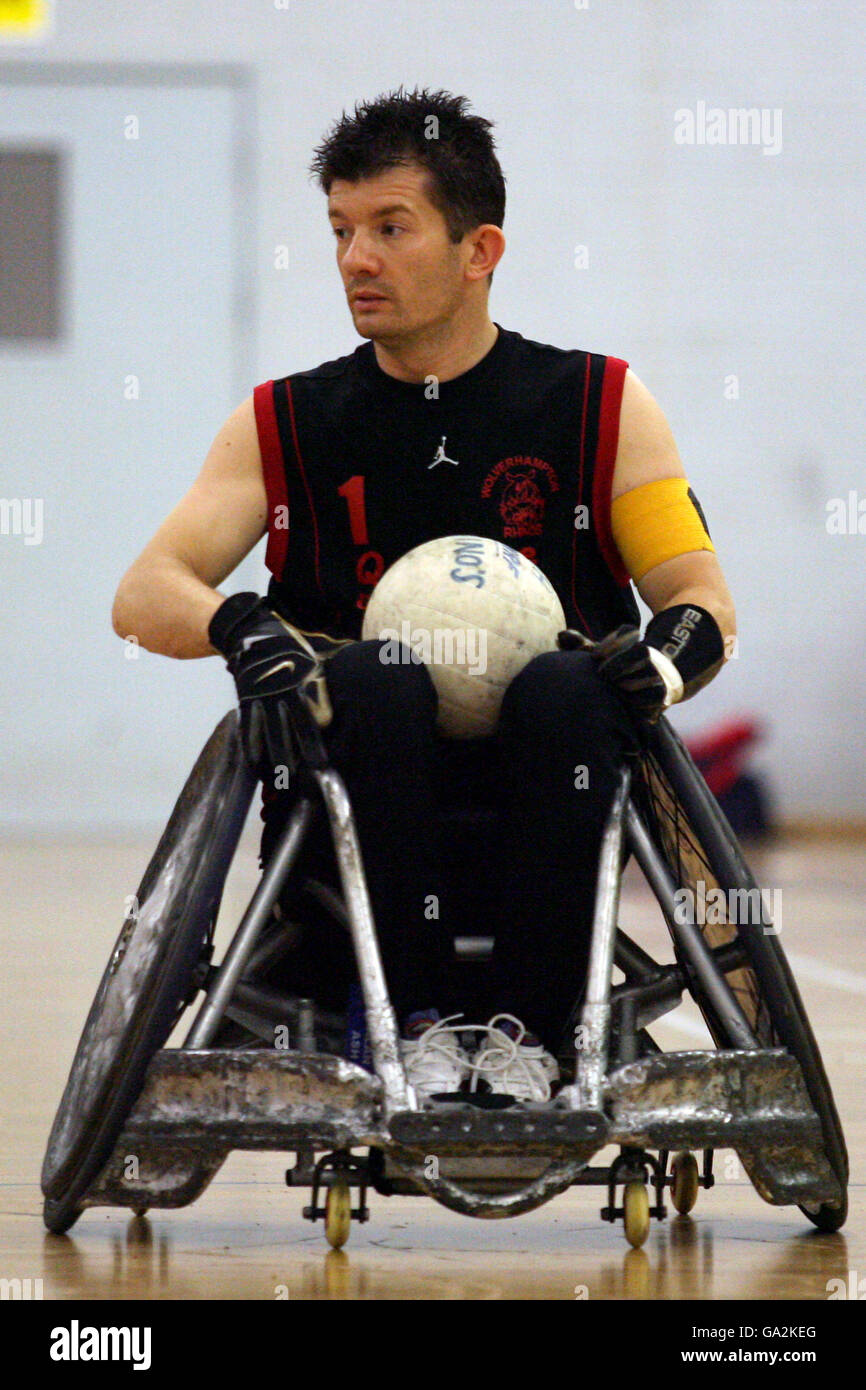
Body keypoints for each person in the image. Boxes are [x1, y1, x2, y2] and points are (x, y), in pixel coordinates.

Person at [112, 88, 736, 1105]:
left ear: (478, 249)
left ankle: (532, 1035)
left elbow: (701, 598)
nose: (356, 259)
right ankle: (406, 1018)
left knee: (568, 689)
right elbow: (143, 594)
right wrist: (238, 625)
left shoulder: (602, 404)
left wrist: (658, 663)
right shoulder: (282, 419)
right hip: (348, 797)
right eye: (341, 230)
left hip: (555, 773)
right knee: (378, 676)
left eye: (390, 229)